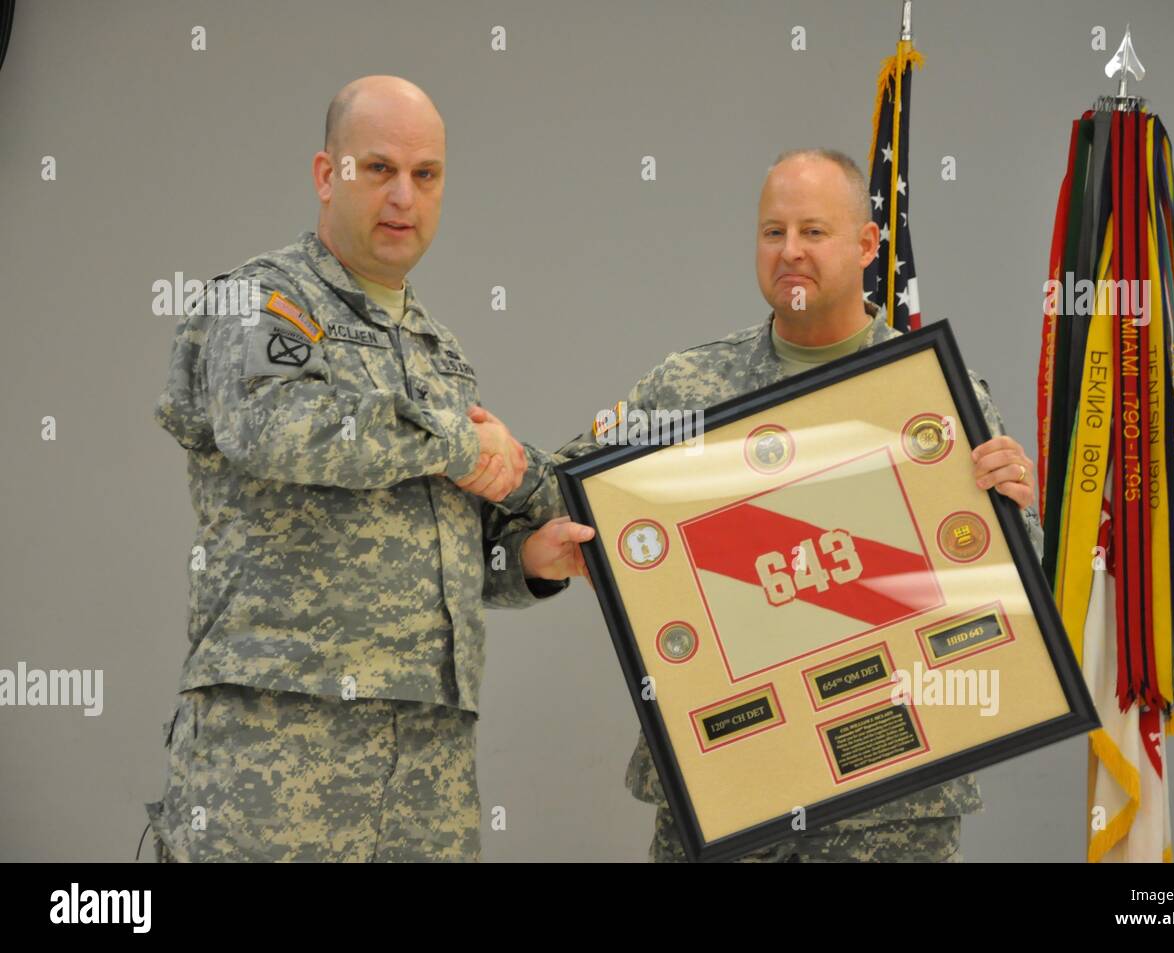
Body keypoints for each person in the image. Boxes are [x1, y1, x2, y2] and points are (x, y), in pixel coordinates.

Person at [547, 148, 1044, 861]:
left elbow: (1014, 586)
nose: (790, 253)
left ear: (868, 245)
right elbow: (571, 488)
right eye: (772, 232)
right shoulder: (688, 387)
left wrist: (1016, 508)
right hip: (724, 789)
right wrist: (507, 472)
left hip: (890, 801)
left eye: (814, 231)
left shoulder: (933, 396)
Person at [145, 75, 590, 862]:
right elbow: (275, 428)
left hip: (428, 754)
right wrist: (461, 444)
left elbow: (436, 539)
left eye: (426, 175)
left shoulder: (436, 348)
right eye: (377, 168)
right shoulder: (263, 301)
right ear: (327, 175)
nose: (403, 197)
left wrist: (526, 560)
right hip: (280, 736)